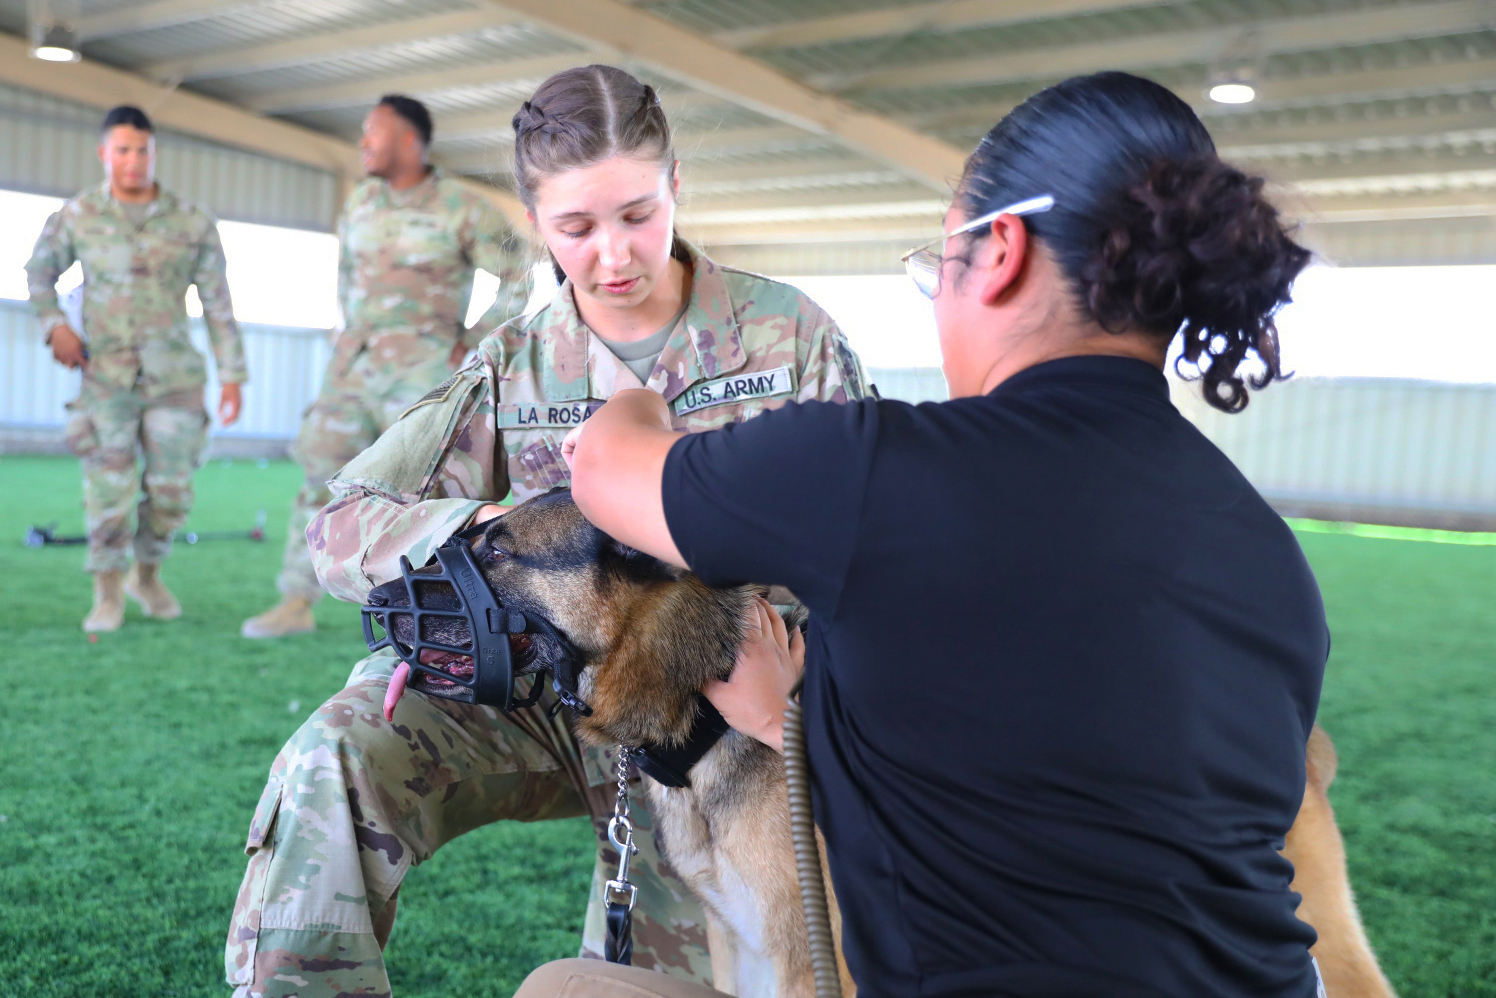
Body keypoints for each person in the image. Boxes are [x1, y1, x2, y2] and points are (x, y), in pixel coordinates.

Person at [547, 71, 1329, 998]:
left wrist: (633, 383)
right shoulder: (1270, 555)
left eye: (939, 258)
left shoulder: (880, 471)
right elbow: (1038, 759)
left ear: (999, 249)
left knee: (568, 987)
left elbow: (604, 466)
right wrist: (787, 719)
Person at [224, 65, 868, 998]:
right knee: (336, 753)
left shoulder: (788, 338)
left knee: (712, 974)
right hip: (552, 706)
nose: (614, 255)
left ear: (676, 184)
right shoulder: (512, 365)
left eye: (639, 213)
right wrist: (492, 521)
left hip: (735, 725)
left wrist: (796, 691)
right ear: (534, 222)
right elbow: (342, 527)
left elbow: (879, 551)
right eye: (575, 228)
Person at [240, 94, 532, 639]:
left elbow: (521, 271)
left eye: (372, 132)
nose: (362, 143)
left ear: (407, 141)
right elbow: (347, 275)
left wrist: (472, 343)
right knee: (318, 475)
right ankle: (295, 601)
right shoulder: (360, 204)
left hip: (422, 376)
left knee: (420, 493)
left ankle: (435, 619)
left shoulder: (460, 207)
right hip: (352, 370)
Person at [27, 104, 247, 633]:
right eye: (122, 150)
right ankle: (106, 592)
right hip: (105, 378)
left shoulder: (192, 221)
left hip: (175, 378)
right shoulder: (78, 215)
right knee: (108, 489)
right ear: (105, 153)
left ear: (154, 153)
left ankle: (147, 574)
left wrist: (233, 373)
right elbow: (39, 273)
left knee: (172, 490)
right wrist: (54, 324)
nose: (133, 160)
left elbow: (218, 303)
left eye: (142, 150)